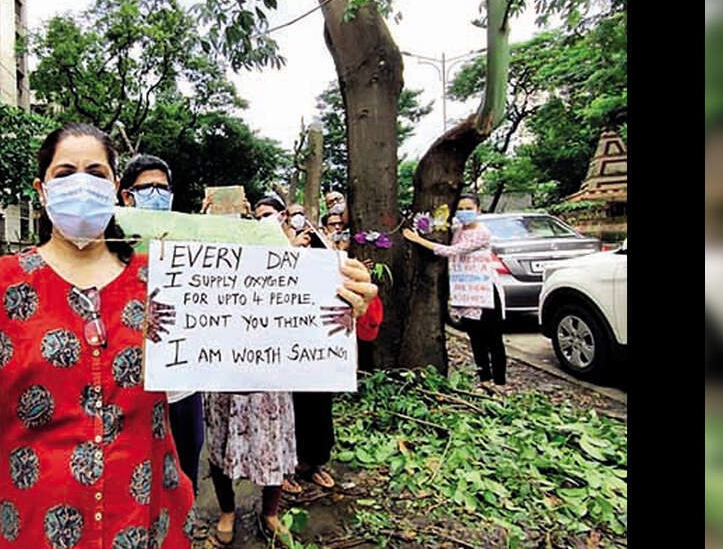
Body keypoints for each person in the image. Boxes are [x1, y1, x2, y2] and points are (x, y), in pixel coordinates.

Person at [0, 124, 195, 548]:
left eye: (97, 173)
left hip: (145, 520)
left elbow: (245, 343)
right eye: (65, 173)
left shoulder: (165, 278)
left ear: (115, 188)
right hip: (30, 525)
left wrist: (339, 298)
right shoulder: (1, 286)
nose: (81, 184)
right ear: (41, 189)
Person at [204, 198, 379, 548]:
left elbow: (328, 303)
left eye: (269, 216)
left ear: (285, 217)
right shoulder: (220, 255)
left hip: (274, 378)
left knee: (276, 450)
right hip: (224, 373)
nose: (262, 223)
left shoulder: (308, 258)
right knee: (221, 447)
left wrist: (354, 300)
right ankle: (227, 512)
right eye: (256, 218)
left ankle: (270, 513)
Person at [117, 154, 205, 500]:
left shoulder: (191, 243)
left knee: (185, 474)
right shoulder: (108, 247)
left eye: (163, 188)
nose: (157, 194)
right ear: (126, 196)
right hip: (131, 390)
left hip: (183, 387)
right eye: (147, 187)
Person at [402, 192, 507, 389]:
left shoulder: (482, 232)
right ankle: (484, 380)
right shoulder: (458, 229)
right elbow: (441, 230)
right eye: (461, 209)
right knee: (475, 338)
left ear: (478, 210)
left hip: (485, 291)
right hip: (467, 292)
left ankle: (500, 382)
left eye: (469, 209)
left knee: (493, 339)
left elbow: (451, 251)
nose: (465, 212)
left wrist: (418, 240)